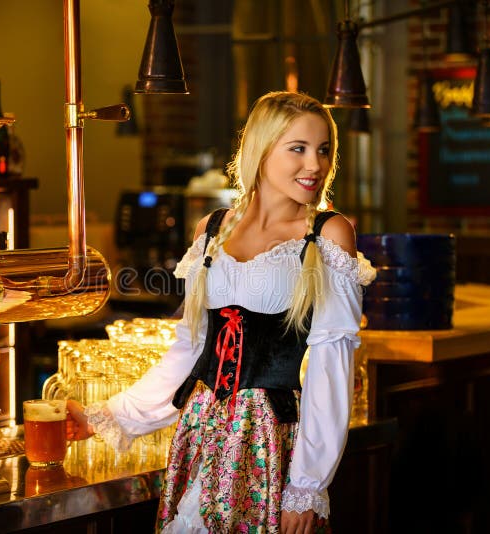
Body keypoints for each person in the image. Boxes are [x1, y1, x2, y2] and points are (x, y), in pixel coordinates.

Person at [67, 91, 375, 533]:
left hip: (270, 437)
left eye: (324, 150)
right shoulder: (213, 230)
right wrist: (108, 416)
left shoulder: (326, 235)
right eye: (298, 149)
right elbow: (190, 352)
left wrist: (307, 486)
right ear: (261, 149)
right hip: (201, 431)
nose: (315, 165)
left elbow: (332, 368)